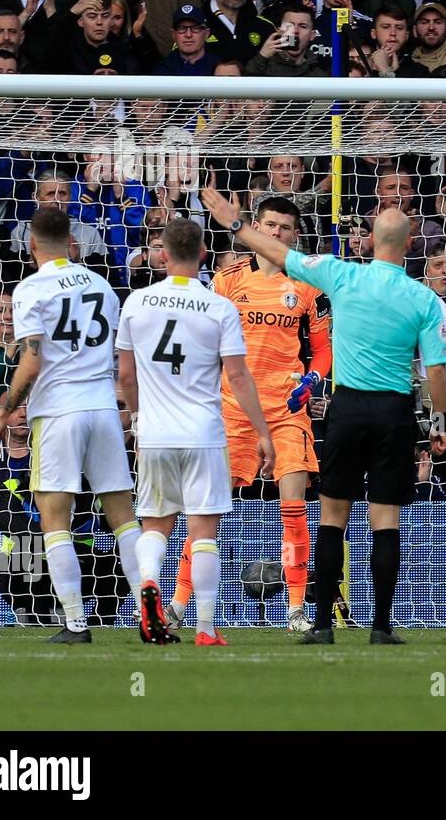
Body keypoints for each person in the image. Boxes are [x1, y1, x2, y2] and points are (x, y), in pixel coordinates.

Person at [199, 189, 446, 647]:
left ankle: (319, 625)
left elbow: (279, 254)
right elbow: (436, 370)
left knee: (333, 517)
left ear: (370, 239)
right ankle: (381, 627)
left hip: (348, 409)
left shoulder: (339, 275)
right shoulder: (423, 298)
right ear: (411, 241)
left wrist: (237, 225)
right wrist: (441, 422)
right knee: (385, 520)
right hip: (394, 411)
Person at [165, 196, 331, 634]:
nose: (276, 234)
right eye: (270, 225)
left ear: (295, 236)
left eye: (284, 228)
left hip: (286, 411)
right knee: (207, 512)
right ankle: (180, 603)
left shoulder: (309, 285)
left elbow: (324, 350)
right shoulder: (225, 281)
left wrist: (312, 382)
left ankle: (296, 608)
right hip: (232, 411)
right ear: (255, 226)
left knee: (293, 508)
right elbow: (203, 345)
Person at [0, 208, 144, 643]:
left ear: (31, 244)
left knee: (54, 517)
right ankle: (149, 612)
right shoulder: (102, 286)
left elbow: (32, 362)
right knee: (124, 518)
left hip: (59, 412)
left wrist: (3, 414)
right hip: (104, 410)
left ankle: (75, 623)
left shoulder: (31, 289)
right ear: (72, 242)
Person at [116, 218, 275, 646]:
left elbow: (126, 375)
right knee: (203, 533)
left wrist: (137, 416)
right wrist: (262, 431)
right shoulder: (219, 306)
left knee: (154, 526)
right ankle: (205, 628)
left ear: (162, 254)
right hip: (204, 432)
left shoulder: (136, 302)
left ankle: (147, 587)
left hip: (156, 433)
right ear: (204, 254)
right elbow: (238, 376)